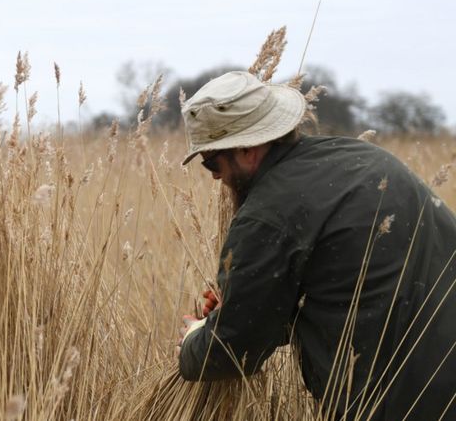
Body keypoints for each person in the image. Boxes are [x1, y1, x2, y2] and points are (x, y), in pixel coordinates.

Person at [176, 71, 456, 420]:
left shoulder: (266, 215)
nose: (214, 175)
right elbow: (355, 284)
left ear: (246, 149)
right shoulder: (364, 158)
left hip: (400, 401)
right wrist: (241, 299)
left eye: (210, 161)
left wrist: (195, 339)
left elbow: (235, 348)